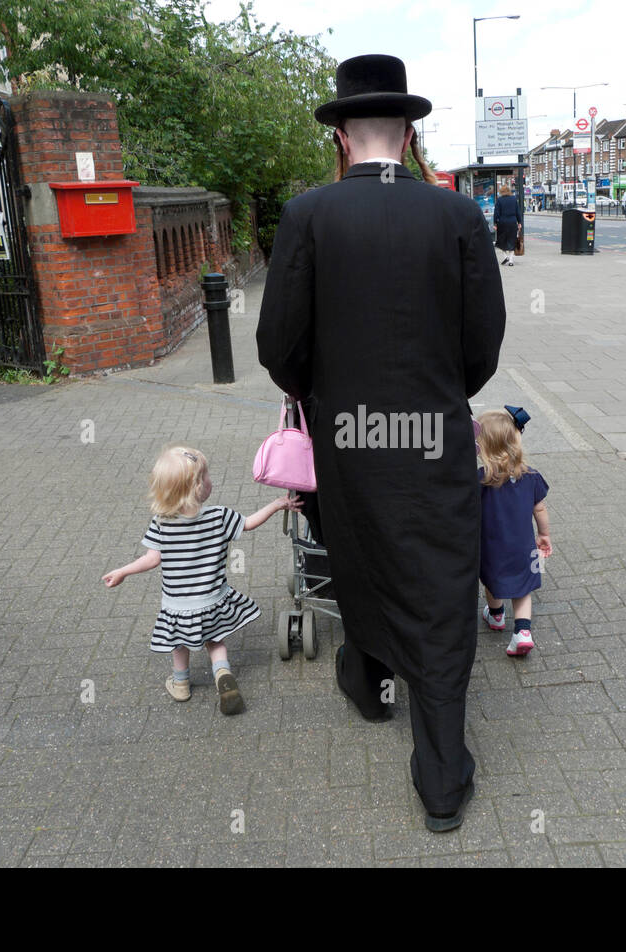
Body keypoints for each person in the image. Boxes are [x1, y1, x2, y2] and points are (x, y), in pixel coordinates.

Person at [256, 54, 506, 832]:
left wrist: (320, 395)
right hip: (433, 433)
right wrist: (439, 392)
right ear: (408, 132)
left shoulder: (307, 217)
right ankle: (439, 776)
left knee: (358, 557)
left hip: (348, 436)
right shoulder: (458, 217)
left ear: (341, 137)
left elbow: (278, 346)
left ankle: (365, 681)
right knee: (436, 581)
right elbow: (483, 343)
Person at [101, 445, 299, 715]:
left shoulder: (161, 524)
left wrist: (123, 570)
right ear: (196, 488)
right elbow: (250, 523)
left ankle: (181, 683)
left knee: (179, 643)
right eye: (206, 476)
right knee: (215, 639)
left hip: (178, 606)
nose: (211, 481)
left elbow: (151, 559)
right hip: (212, 600)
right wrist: (277, 505)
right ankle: (223, 676)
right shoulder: (219, 517)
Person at [475, 409, 552, 657]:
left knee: (491, 578)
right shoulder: (530, 476)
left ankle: (496, 615)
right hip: (524, 547)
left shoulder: (480, 480)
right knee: (523, 589)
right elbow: (540, 508)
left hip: (492, 547)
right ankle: (522, 632)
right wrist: (544, 535)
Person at [493, 184, 523, 266]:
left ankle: (506, 256)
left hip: (502, 223)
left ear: (501, 192)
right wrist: (519, 222)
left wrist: (495, 223)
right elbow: (518, 212)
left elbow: (496, 213)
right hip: (512, 222)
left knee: (501, 241)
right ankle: (511, 261)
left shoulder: (499, 200)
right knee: (512, 241)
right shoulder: (513, 199)